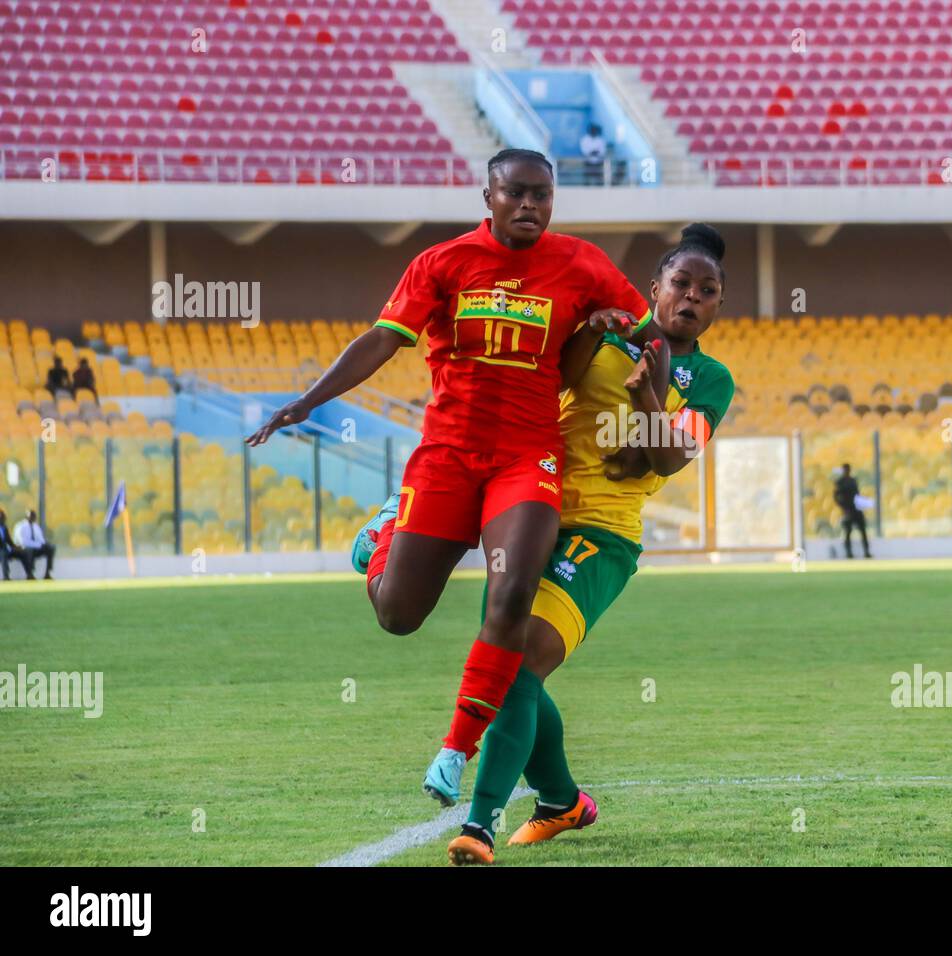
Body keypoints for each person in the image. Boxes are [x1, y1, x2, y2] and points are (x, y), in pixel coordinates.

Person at [247, 148, 652, 810]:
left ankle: (454, 752)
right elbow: (382, 339)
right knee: (398, 615)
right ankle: (384, 533)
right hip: (449, 455)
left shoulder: (582, 263)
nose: (530, 206)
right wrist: (307, 401)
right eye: (516, 193)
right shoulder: (441, 263)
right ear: (487, 198)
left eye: (542, 196)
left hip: (528, 455)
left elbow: (647, 326)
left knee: (513, 592)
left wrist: (619, 330)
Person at [446, 223, 735, 865]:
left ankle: (480, 825)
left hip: (601, 537)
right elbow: (543, 392)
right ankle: (560, 801)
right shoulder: (611, 338)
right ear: (654, 287)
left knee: (513, 667)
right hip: (530, 510)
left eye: (707, 291)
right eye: (681, 283)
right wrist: (585, 332)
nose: (691, 297)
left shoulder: (711, 379)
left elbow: (667, 461)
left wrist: (650, 396)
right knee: (510, 667)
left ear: (718, 305)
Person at [833, 463, 871, 559]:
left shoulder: (853, 480)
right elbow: (836, 497)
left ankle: (866, 551)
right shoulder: (840, 482)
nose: (847, 471)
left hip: (856, 509)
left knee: (863, 530)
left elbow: (857, 494)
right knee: (848, 532)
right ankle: (849, 552)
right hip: (847, 510)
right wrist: (843, 507)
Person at [14, 509, 54, 579]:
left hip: (36, 548)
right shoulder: (20, 526)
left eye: (34, 516)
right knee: (30, 550)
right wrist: (38, 545)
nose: (33, 518)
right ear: (27, 517)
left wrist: (43, 544)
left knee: (50, 548)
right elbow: (23, 542)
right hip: (23, 548)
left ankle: (47, 573)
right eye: (31, 516)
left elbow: (41, 540)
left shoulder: (36, 527)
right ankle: (30, 573)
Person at [0, 508, 34, 580]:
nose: (4, 519)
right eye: (2, 517)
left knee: (22, 553)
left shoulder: (4, 527)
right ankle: (6, 576)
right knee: (3, 553)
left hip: (6, 550)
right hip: (2, 551)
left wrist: (16, 547)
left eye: (4, 517)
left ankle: (29, 574)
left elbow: (9, 541)